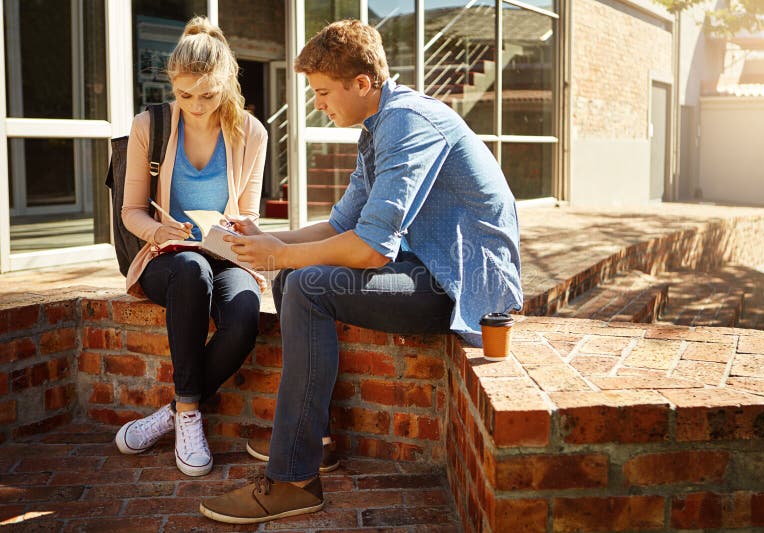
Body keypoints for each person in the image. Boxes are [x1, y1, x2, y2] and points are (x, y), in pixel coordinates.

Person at [199, 19, 522, 523]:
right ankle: (316, 440)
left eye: (324, 92)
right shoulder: (378, 126)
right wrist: (264, 241)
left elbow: (370, 249)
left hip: (460, 285)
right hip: (425, 266)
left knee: (303, 282)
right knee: (293, 277)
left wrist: (280, 256)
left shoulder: (407, 123)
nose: (318, 104)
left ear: (362, 83)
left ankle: (293, 479)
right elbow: (341, 225)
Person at [113, 16, 268, 477]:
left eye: (208, 95)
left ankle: (172, 412)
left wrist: (235, 226)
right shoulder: (150, 125)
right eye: (185, 95)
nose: (196, 107)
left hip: (224, 253)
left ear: (227, 84)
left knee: (242, 315)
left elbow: (251, 217)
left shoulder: (251, 133)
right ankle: (189, 416)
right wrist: (164, 233)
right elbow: (131, 212)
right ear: (172, 87)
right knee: (191, 272)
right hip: (169, 258)